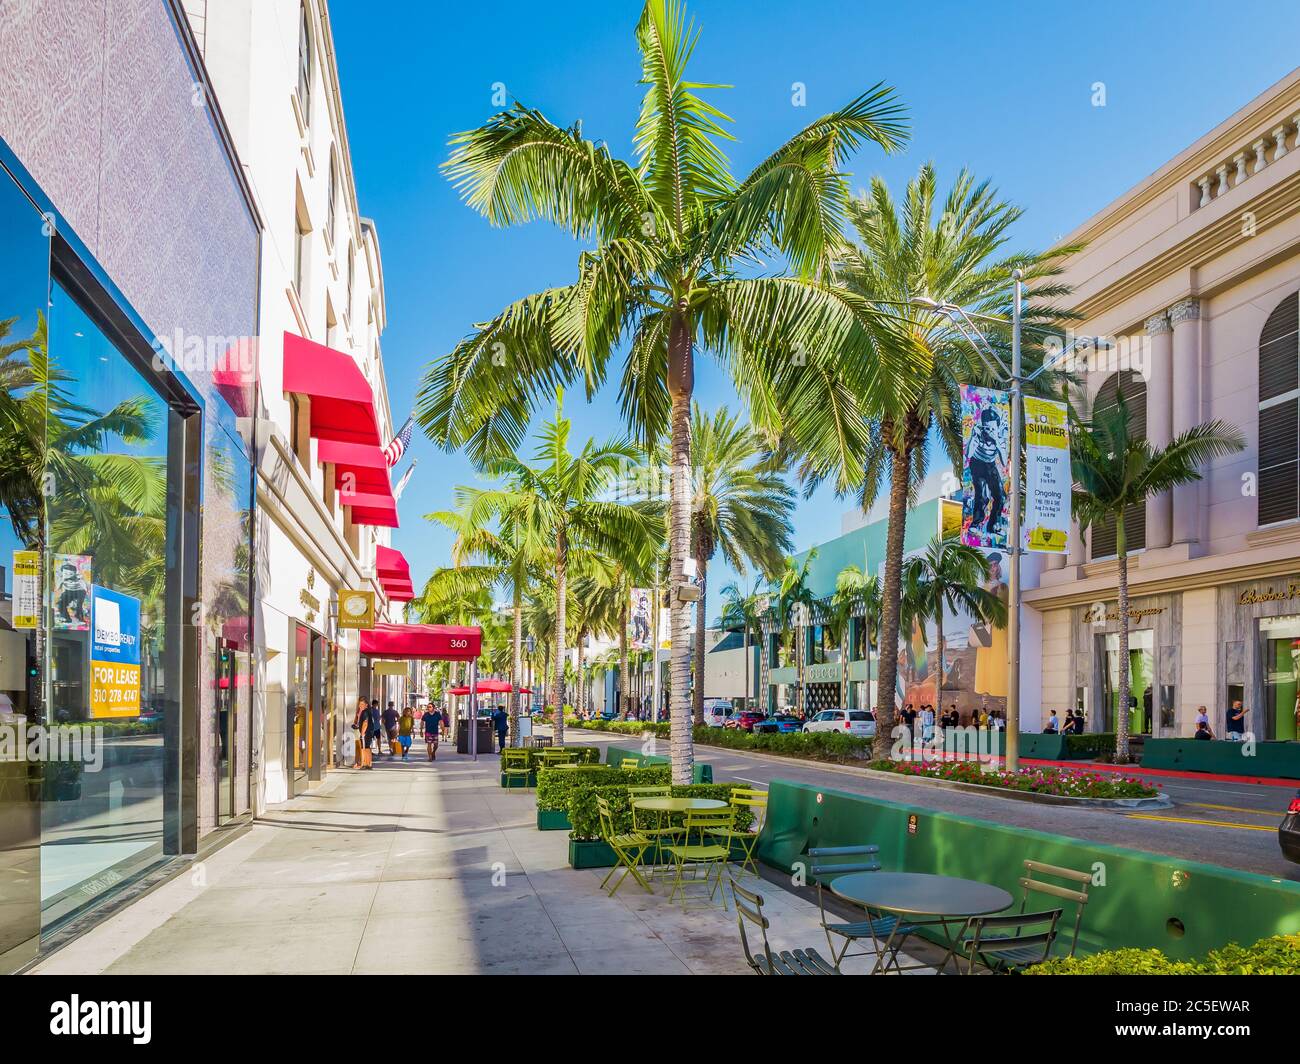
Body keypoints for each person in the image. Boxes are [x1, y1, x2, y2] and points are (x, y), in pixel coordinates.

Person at [352, 697, 373, 770]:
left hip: (366, 733)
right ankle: (368, 764)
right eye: (359, 704)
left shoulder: (365, 712)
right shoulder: (368, 711)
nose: (360, 705)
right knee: (367, 748)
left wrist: (362, 733)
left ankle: (365, 764)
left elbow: (365, 723)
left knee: (364, 748)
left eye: (362, 704)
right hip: (369, 732)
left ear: (366, 704)